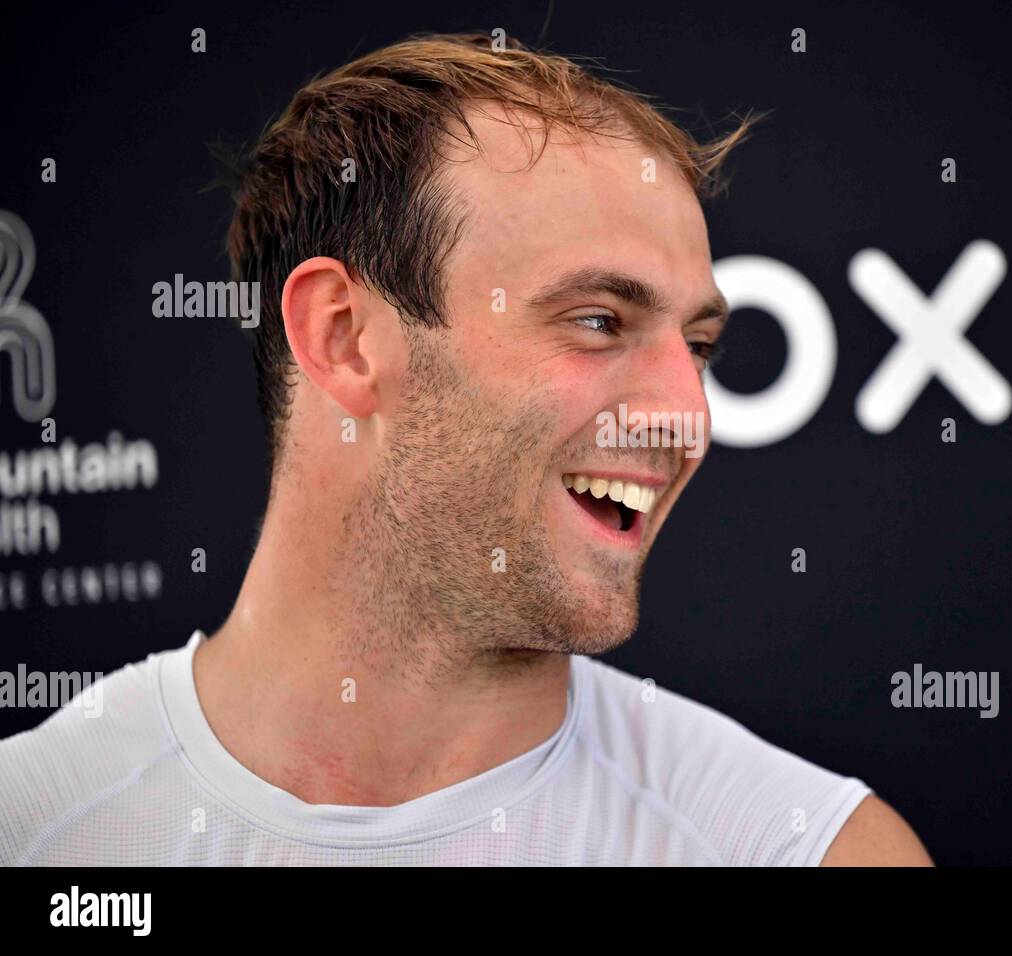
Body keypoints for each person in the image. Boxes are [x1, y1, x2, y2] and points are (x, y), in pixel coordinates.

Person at [0, 33, 932, 866]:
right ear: (343, 336)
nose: (685, 413)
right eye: (599, 320)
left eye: (697, 346)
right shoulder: (36, 827)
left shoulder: (797, 850)